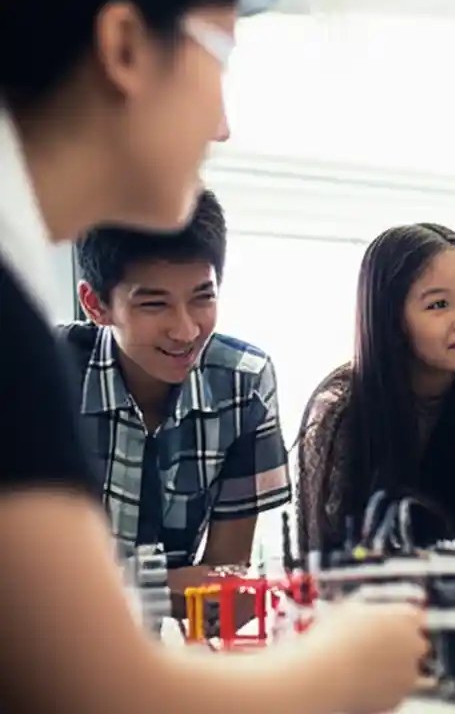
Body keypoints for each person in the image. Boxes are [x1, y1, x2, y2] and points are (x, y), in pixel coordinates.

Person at [0, 0, 426, 712]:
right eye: (221, 55)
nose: (222, 126)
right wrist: (353, 661)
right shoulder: (22, 342)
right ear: (126, 47)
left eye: (201, 297)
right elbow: (99, 688)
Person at [59, 189, 291, 616]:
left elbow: (224, 588)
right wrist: (166, 587)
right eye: (155, 304)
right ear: (95, 304)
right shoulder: (44, 372)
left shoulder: (244, 383)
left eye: (203, 297)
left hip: (176, 656)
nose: (186, 331)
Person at [295, 223, 455, 552]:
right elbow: (317, 559)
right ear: (392, 321)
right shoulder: (339, 406)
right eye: (439, 305)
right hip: (368, 596)